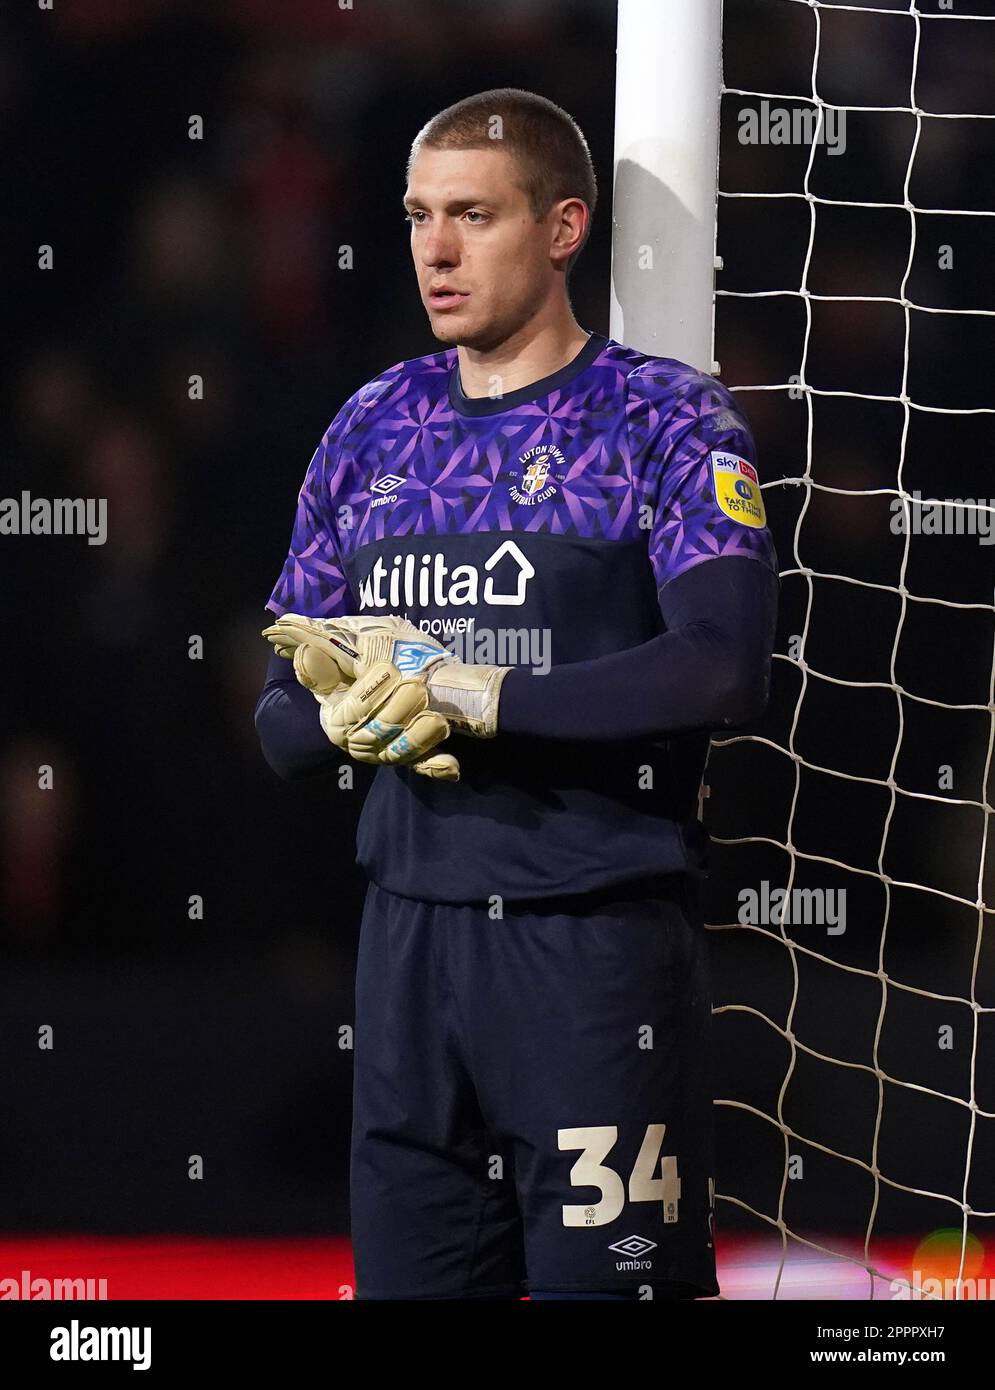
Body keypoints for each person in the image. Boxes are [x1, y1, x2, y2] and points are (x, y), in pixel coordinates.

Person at [255, 88, 779, 1300]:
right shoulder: (371, 428)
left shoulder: (660, 418)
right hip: (406, 952)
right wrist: (330, 719)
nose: (434, 250)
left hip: (589, 951)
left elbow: (720, 661)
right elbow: (278, 709)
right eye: (417, 216)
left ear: (561, 228)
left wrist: (485, 697)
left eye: (473, 216)